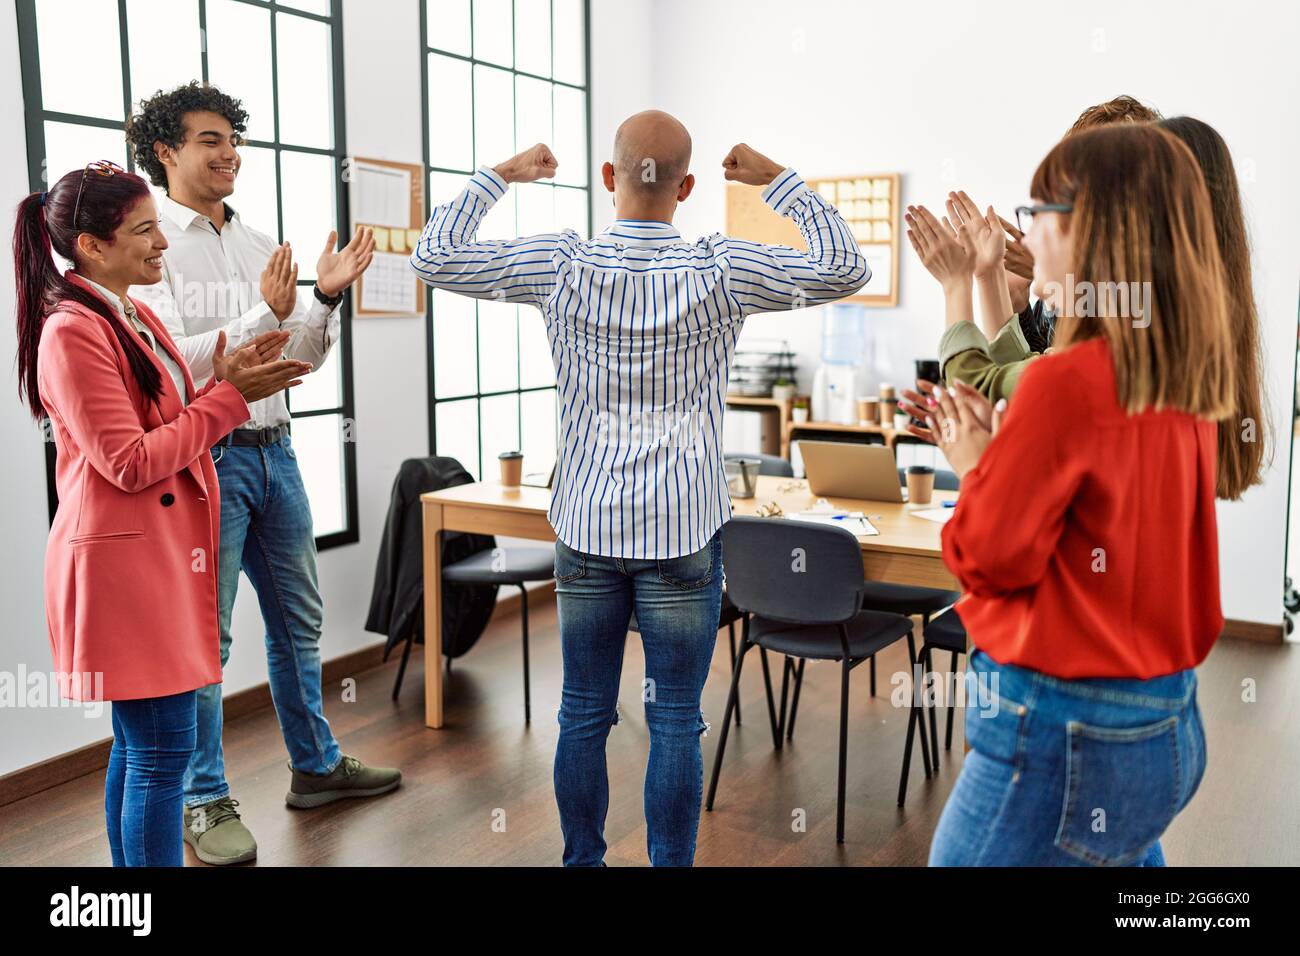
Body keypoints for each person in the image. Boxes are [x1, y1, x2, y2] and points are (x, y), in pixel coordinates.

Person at [409, 110, 870, 865]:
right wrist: (778, 181)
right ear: (686, 187)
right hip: (682, 529)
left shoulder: (563, 264)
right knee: (678, 719)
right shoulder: (720, 269)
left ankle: (582, 861)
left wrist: (505, 175)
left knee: (582, 714)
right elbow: (846, 267)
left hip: (587, 525)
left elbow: (434, 256)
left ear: (608, 179)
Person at [916, 124, 1237, 865]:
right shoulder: (1185, 381)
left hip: (1064, 730)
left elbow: (988, 558)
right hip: (1167, 725)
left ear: (1090, 229)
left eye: (1039, 211)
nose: (1025, 231)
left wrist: (976, 462)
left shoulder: (1066, 383)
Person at [124, 82, 397, 866]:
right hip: (207, 462)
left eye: (232, 139)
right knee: (205, 641)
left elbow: (296, 360)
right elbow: (172, 366)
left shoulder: (258, 242)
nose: (229, 152)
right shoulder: (150, 244)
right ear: (166, 152)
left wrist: (324, 300)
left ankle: (314, 768)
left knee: (299, 625)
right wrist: (261, 318)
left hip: (277, 453)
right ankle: (204, 801)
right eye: (209, 140)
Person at [14, 163, 310, 866]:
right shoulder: (71, 330)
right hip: (126, 571)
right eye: (146, 230)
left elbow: (172, 386)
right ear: (91, 244)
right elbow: (131, 460)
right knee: (163, 750)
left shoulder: (128, 310)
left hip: (153, 560)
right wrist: (230, 397)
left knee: (144, 746)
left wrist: (236, 360)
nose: (162, 246)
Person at [904, 115, 1267, 500]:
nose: (1033, 235)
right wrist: (993, 280)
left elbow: (1002, 386)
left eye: (1059, 211)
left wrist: (978, 466)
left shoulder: (1110, 365)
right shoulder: (1174, 359)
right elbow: (1025, 378)